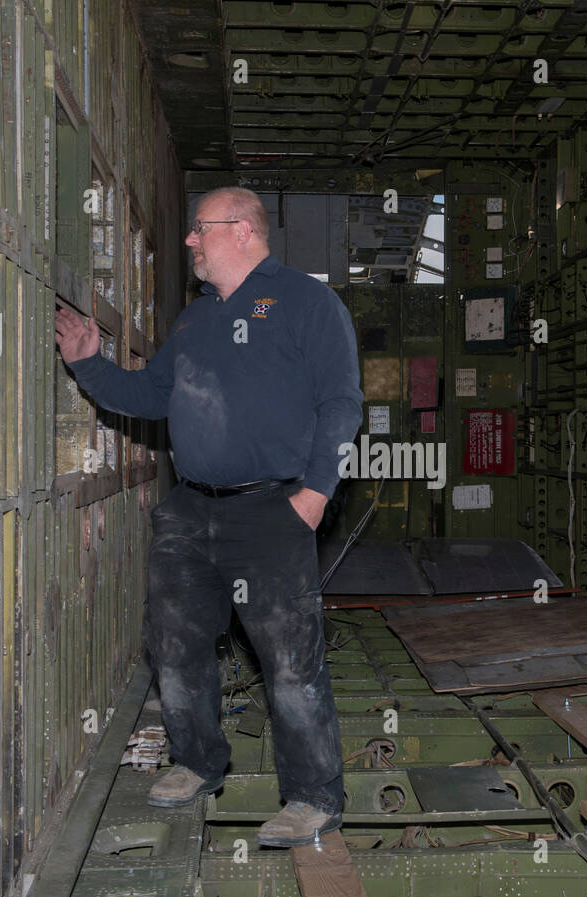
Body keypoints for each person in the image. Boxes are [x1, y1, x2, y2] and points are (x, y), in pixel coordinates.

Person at [53, 187, 363, 846]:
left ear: (243, 231)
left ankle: (313, 797)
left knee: (289, 662)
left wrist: (315, 495)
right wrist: (89, 364)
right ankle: (197, 762)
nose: (190, 241)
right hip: (192, 510)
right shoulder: (196, 320)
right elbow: (149, 394)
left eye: (200, 230)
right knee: (174, 644)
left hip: (272, 509)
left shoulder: (309, 304)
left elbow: (341, 404)